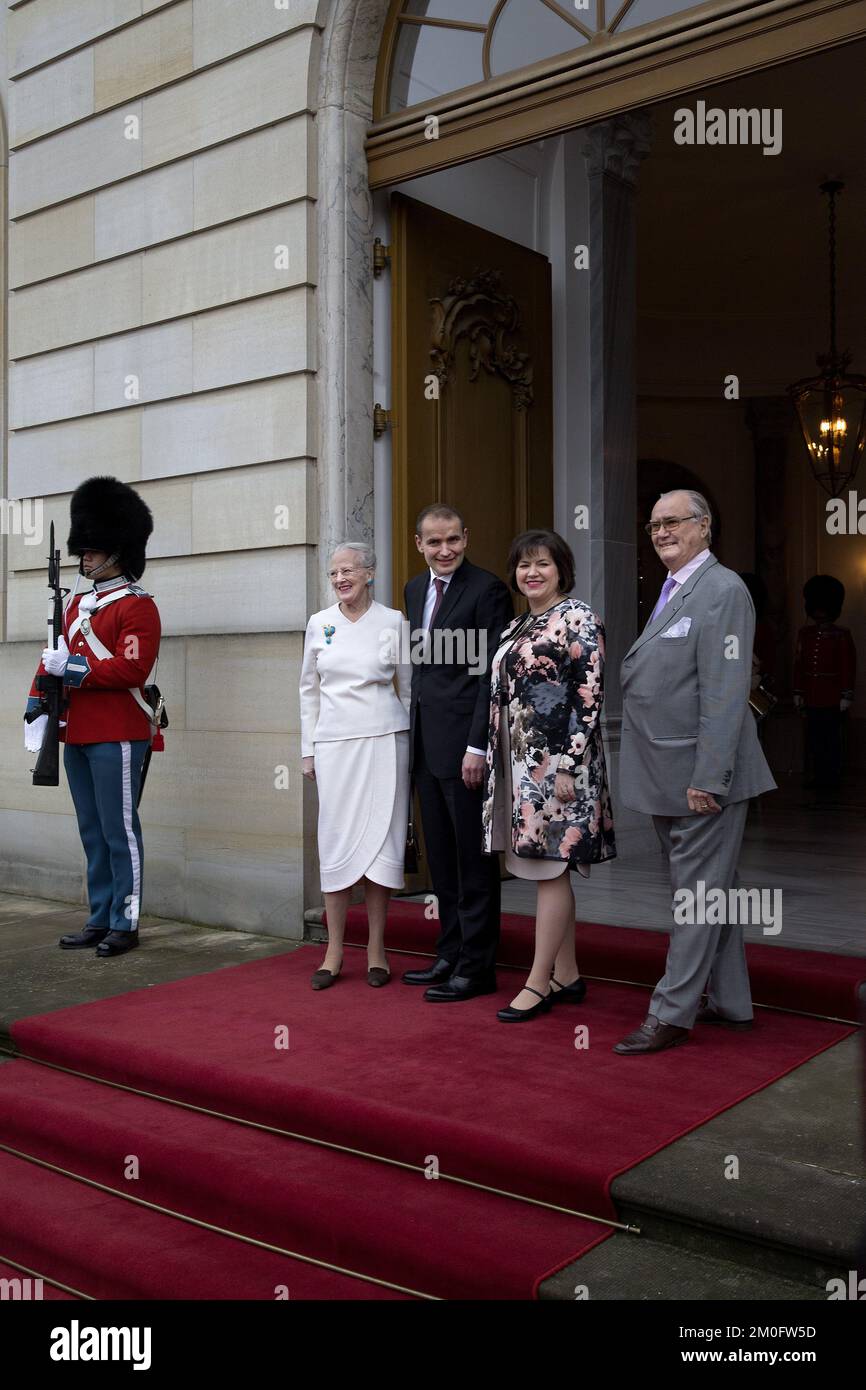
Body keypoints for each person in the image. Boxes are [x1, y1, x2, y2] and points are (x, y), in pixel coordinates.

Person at [615, 489, 776, 1055]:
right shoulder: (676, 587)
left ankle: (671, 1013)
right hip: (669, 771)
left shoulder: (723, 589)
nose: (660, 532)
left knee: (696, 898)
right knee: (713, 892)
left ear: (704, 526)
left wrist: (710, 776)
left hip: (701, 779)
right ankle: (730, 1000)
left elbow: (726, 691)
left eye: (673, 522)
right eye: (654, 524)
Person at [24, 476, 163, 958]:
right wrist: (35, 706)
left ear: (117, 552)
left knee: (119, 829)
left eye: (93, 550)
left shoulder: (138, 606)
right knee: (91, 829)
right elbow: (50, 659)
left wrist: (75, 670)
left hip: (119, 732)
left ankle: (126, 919)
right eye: (83, 549)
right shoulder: (76, 604)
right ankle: (99, 914)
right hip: (77, 730)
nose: (85, 557)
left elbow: (132, 667)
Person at [481, 530, 615, 1021]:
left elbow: (590, 697)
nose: (531, 573)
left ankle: (538, 984)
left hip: (559, 768)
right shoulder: (516, 625)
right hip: (519, 766)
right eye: (522, 565)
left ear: (562, 569)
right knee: (545, 865)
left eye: (542, 564)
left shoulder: (578, 617)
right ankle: (569, 972)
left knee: (549, 868)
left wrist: (567, 765)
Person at [402, 505, 513, 1002]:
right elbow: (423, 671)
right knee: (441, 861)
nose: (443, 550)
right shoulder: (412, 590)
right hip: (425, 747)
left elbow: (491, 676)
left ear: (466, 538)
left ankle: (477, 966)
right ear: (418, 543)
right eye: (434, 542)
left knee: (473, 861)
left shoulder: (488, 590)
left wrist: (477, 745)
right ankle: (448, 953)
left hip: (466, 749)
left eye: (452, 540)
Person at [300, 542, 411, 989]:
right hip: (334, 745)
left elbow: (408, 686)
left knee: (382, 839)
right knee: (337, 838)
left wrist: (411, 744)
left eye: (348, 571)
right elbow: (308, 691)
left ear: (370, 573)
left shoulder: (393, 622)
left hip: (386, 741)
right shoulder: (318, 624)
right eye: (333, 574)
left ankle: (377, 949)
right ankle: (333, 950)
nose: (340, 579)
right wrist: (307, 749)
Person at [793, 575, 856, 790]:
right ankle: (819, 776)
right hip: (812, 693)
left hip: (831, 695)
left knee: (832, 739)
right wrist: (799, 691)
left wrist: (846, 694)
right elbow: (800, 664)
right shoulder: (806, 634)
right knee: (815, 738)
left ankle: (832, 776)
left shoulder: (840, 635)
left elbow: (847, 665)